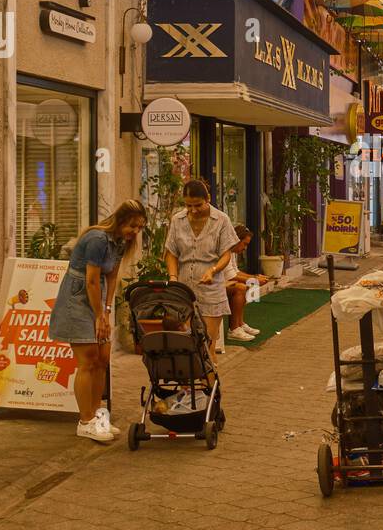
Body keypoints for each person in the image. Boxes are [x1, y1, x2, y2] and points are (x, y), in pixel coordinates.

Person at [48, 199, 148, 443]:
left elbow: (112, 277)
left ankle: (96, 416)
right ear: (121, 220)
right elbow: (92, 280)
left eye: (139, 228)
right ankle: (85, 420)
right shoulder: (97, 239)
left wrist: (107, 309)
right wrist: (98, 315)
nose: (135, 232)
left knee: (103, 359)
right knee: (88, 360)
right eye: (132, 226)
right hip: (78, 298)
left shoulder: (120, 243)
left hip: (98, 297)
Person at [165, 180, 239, 362]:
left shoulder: (221, 220)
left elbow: (226, 255)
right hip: (184, 290)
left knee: (206, 346)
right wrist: (173, 277)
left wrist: (213, 270)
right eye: (188, 205)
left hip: (211, 289)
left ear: (208, 199)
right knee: (185, 345)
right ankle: (186, 388)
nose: (193, 210)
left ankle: (209, 389)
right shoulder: (177, 220)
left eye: (197, 205)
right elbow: (171, 253)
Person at [224, 225, 261, 343]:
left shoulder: (233, 252)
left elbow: (236, 271)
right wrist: (254, 279)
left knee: (248, 285)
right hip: (216, 284)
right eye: (244, 244)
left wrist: (254, 278)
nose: (245, 248)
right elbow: (231, 276)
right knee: (241, 288)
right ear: (236, 240)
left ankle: (240, 323)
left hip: (223, 283)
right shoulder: (226, 250)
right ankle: (234, 329)